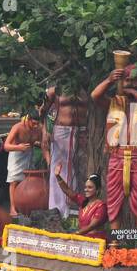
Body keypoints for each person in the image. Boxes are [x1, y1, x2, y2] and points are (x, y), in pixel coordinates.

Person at [95, 65, 137, 230]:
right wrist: (109, 80)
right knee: (114, 201)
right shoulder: (113, 102)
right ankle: (115, 244)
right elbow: (95, 96)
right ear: (121, 82)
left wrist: (133, 93)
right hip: (117, 156)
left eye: (134, 81)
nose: (130, 84)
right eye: (127, 80)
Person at [45, 88, 88, 217]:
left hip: (81, 132)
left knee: (79, 171)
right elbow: (44, 111)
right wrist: (45, 131)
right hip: (61, 131)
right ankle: (57, 211)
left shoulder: (86, 86)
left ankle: (76, 212)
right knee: (58, 171)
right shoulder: (55, 90)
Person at [4, 110, 45, 209]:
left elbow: (43, 143)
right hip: (16, 154)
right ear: (28, 119)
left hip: (29, 154)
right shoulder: (18, 127)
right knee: (14, 181)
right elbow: (6, 146)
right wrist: (19, 147)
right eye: (34, 123)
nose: (36, 126)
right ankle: (13, 208)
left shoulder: (39, 128)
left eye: (37, 124)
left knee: (28, 180)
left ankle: (25, 205)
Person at [54, 166, 108, 239]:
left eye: (90, 187)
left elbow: (91, 226)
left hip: (96, 241)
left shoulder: (101, 206)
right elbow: (67, 190)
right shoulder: (83, 201)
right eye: (85, 187)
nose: (86, 189)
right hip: (82, 239)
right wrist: (57, 176)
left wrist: (74, 235)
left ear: (97, 190)